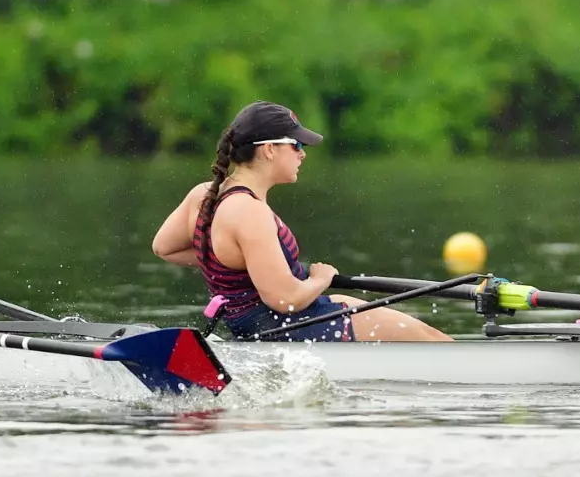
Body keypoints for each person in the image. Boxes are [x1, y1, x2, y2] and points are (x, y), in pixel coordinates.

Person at [151, 101, 450, 342]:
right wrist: (320, 279)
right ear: (269, 149)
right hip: (286, 324)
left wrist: (251, 263)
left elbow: (164, 248)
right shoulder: (250, 212)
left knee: (425, 333)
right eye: (297, 145)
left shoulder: (202, 195)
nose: (303, 155)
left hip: (258, 323)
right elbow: (285, 300)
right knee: (432, 341)